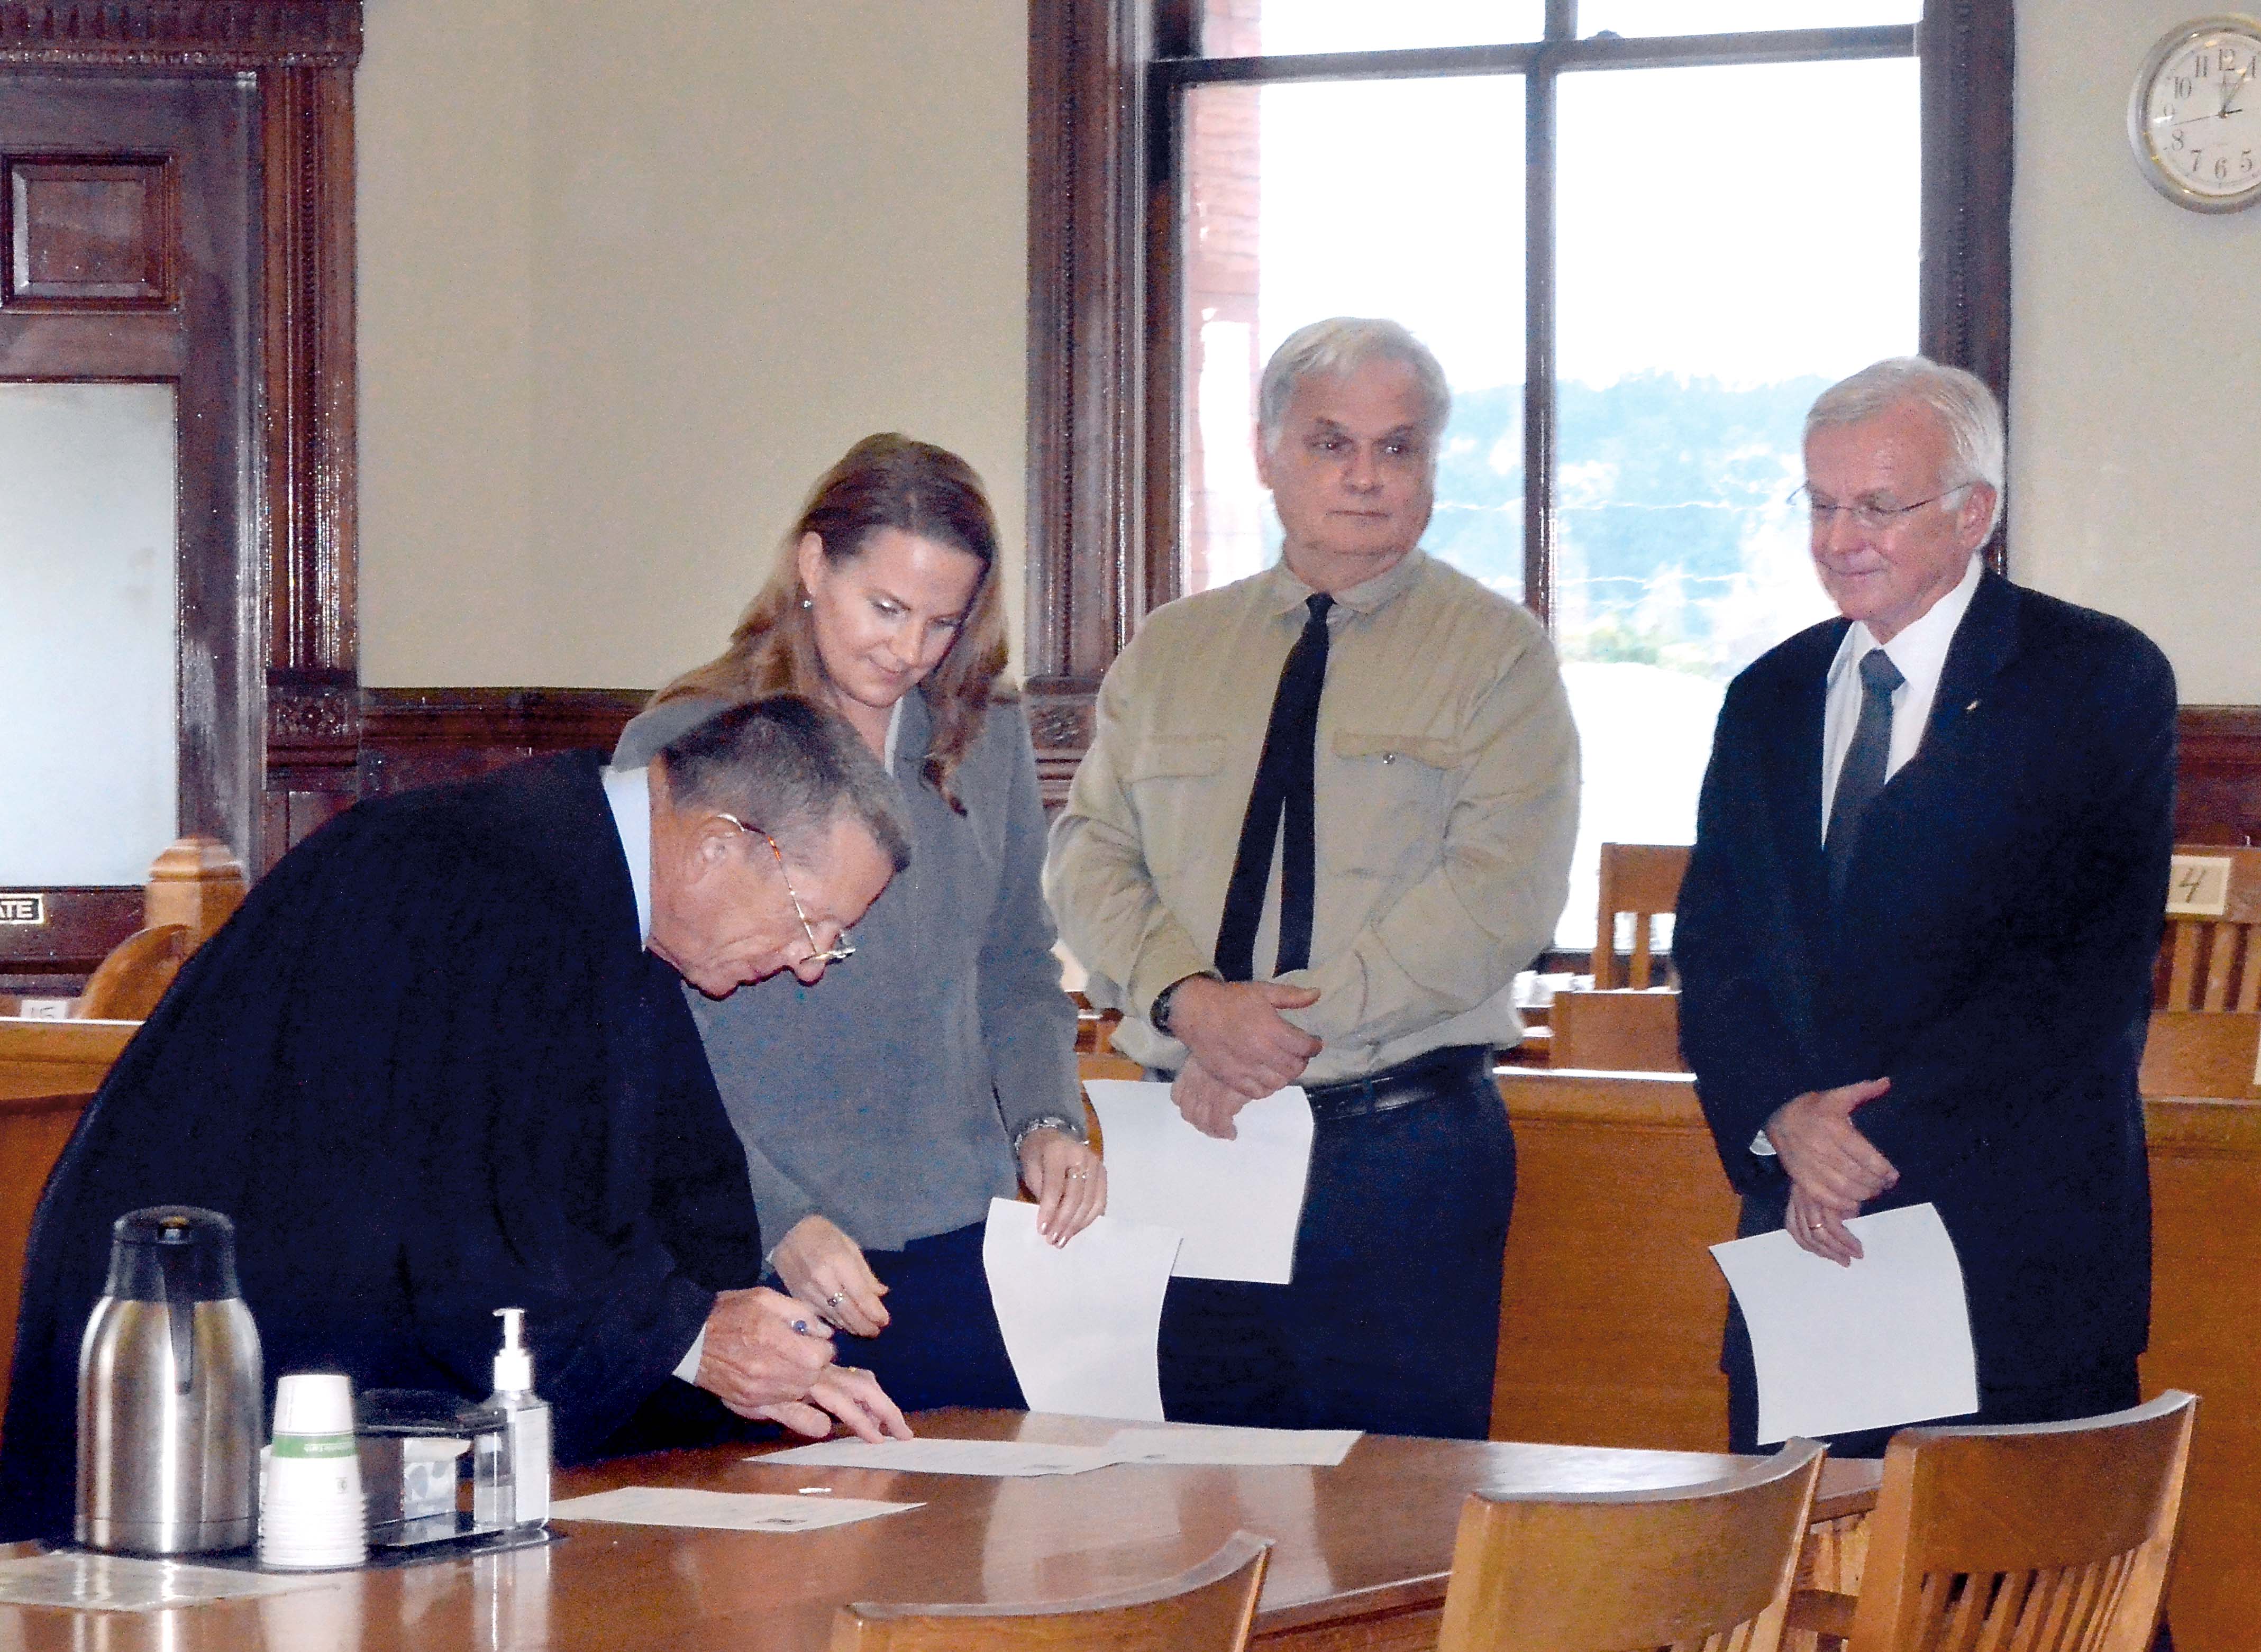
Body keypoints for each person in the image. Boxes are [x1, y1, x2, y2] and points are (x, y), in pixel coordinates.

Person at [0, 697, 917, 1543]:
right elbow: (465, 1232)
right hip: (200, 1358)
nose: (808, 964)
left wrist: (754, 1359)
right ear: (719, 845)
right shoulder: (480, 878)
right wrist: (688, 1340)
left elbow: (658, 1202)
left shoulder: (593, 889)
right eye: (810, 923)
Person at [1044, 317, 1579, 1439]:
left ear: (1431, 466)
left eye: (1399, 448)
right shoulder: (1171, 650)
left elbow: (1498, 896)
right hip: (1187, 1140)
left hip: (1398, 1156)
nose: (1365, 477)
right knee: (1184, 1493)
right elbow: (1090, 854)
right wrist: (1191, 1004)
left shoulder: (1499, 656)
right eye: (1332, 443)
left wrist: (1270, 1032)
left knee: (1396, 1506)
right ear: (1267, 452)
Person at [1675, 357, 2176, 1456]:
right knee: (1804, 1552)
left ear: (1972, 513)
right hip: (1808, 1244)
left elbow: (2080, 979)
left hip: (2009, 1249)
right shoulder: (1767, 696)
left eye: (1875, 506)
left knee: (2016, 1564)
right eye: (1819, 504)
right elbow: (1716, 952)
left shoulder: (2092, 678)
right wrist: (1781, 1121)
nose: (1837, 538)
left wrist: (1856, 1142)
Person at [612, 433, 1102, 1413]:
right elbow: (641, 1036)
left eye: (941, 622)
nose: (908, 649)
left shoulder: (987, 736)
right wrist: (774, 1218)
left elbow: (1015, 965)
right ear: (812, 565)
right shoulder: (688, 742)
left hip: (952, 1228)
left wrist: (1046, 1120)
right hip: (753, 1246)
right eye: (885, 608)